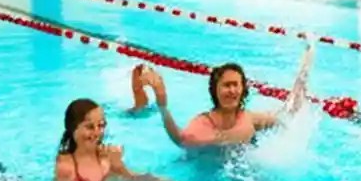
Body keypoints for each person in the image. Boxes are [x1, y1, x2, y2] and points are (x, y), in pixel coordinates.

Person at [133, 46, 313, 149]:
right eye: (227, 85)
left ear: (243, 90)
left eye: (236, 85)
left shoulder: (249, 118)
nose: (232, 90)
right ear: (215, 91)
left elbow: (285, 115)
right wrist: (162, 104)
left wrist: (303, 74)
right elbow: (180, 139)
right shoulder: (204, 123)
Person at [55, 98, 205, 181]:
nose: (97, 132)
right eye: (89, 127)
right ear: (72, 128)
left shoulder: (107, 156)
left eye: (101, 125)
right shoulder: (66, 166)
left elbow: (133, 178)